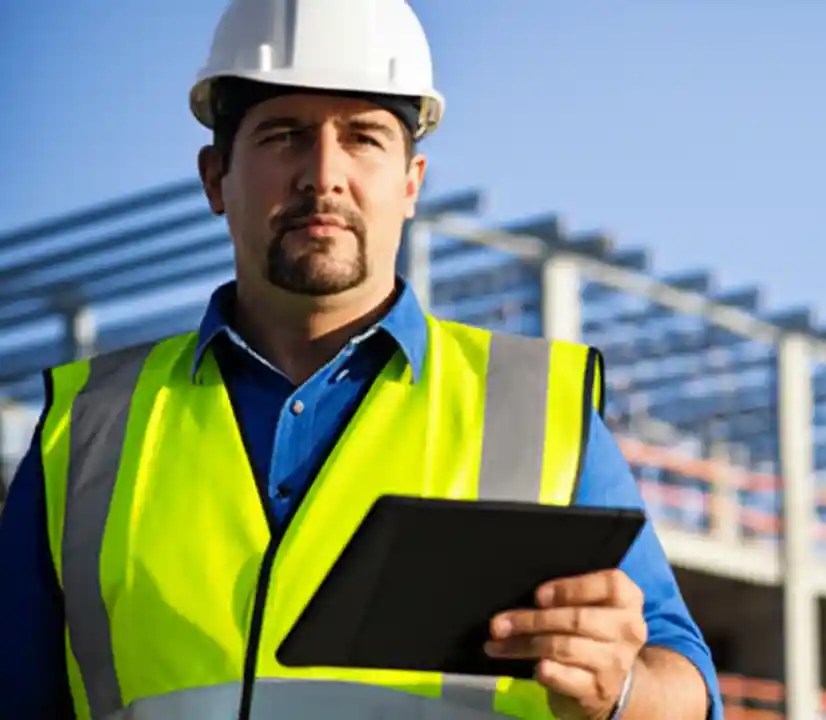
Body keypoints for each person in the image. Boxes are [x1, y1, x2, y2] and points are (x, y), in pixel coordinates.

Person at [0, 1, 722, 718]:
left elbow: (687, 691)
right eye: (284, 136)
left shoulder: (538, 412)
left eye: (363, 138)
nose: (324, 174)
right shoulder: (86, 433)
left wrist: (621, 690)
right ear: (215, 177)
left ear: (411, 182)